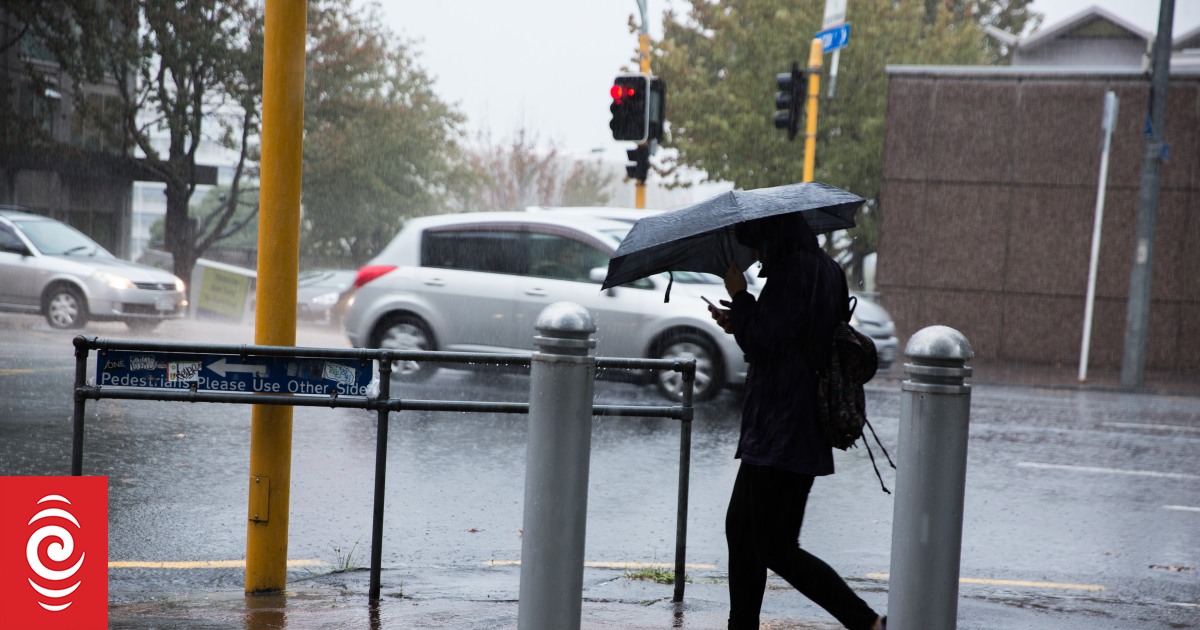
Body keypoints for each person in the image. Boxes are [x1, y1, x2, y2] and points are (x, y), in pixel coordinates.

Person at [707, 213, 885, 630]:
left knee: (775, 546)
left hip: (781, 423)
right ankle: (742, 624)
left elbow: (763, 342)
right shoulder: (827, 270)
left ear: (770, 239)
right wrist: (742, 318)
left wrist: (741, 298)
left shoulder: (791, 272)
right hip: (797, 422)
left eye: (753, 246)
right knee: (741, 528)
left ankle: (866, 622)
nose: (752, 255)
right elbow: (795, 334)